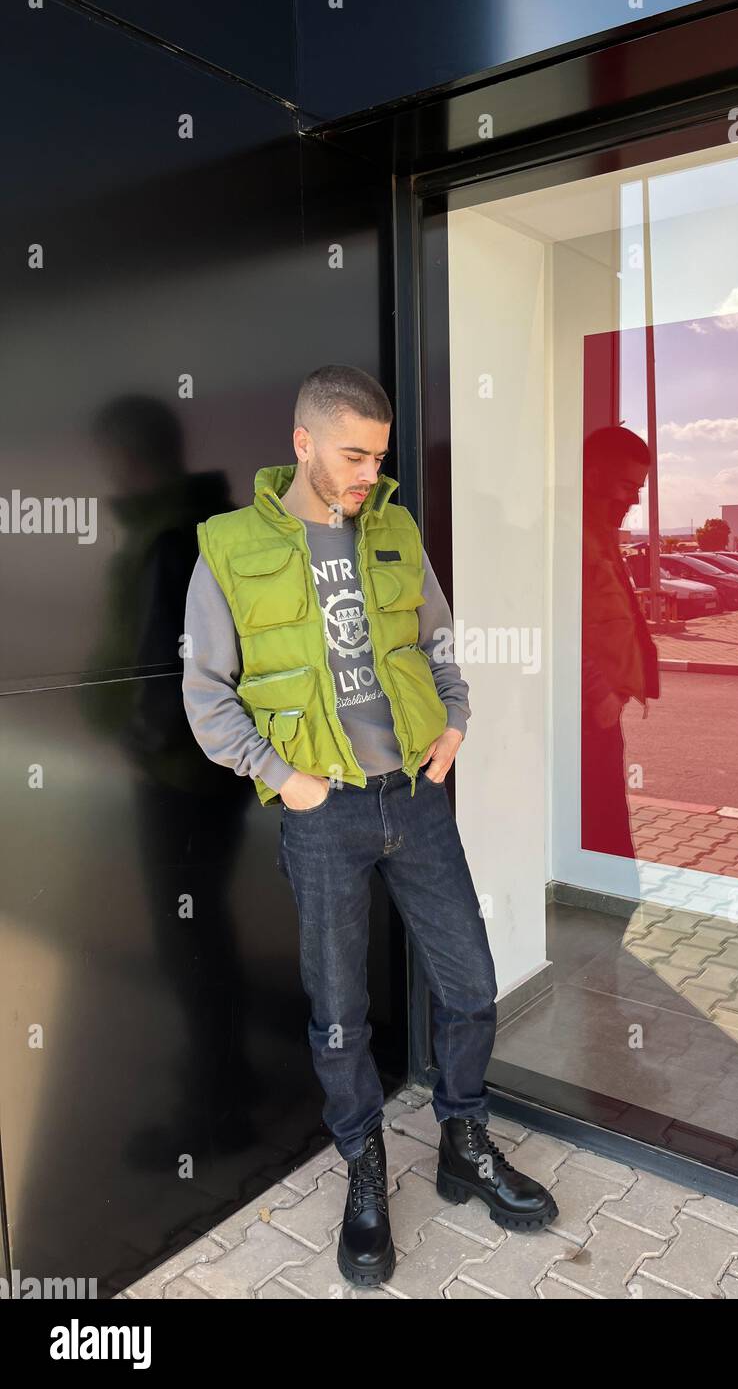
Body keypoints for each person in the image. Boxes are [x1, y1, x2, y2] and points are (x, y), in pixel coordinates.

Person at [182, 364, 557, 1286]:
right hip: (323, 815)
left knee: (469, 981)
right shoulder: (230, 550)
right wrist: (281, 779)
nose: (367, 475)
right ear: (303, 442)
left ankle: (464, 1147)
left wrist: (456, 719)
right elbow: (205, 696)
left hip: (416, 799)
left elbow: (436, 637)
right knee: (340, 1017)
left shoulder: (390, 525)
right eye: (353, 455)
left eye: (377, 457)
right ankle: (365, 1171)